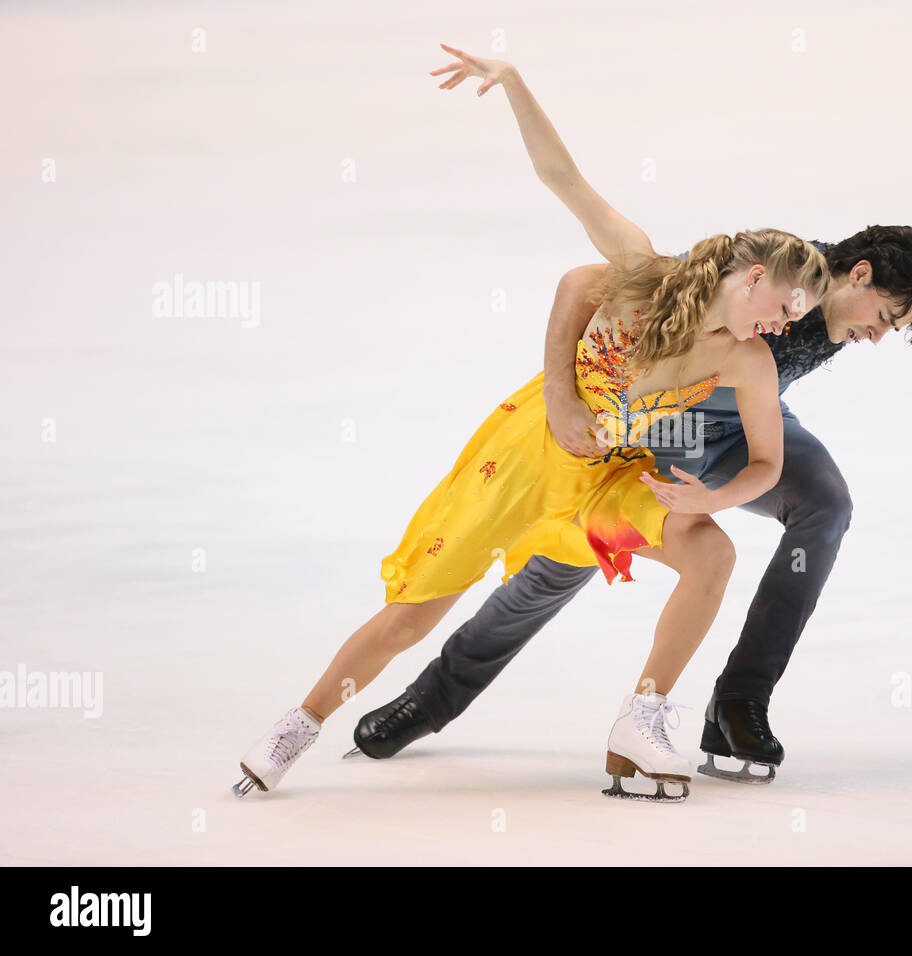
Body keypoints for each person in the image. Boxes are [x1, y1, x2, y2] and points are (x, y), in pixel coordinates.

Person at [231, 44, 833, 803]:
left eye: (797, 320)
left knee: (710, 555)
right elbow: (563, 186)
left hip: (605, 487)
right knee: (414, 615)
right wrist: (513, 82)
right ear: (753, 279)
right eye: (785, 308)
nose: (783, 327)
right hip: (525, 459)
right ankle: (300, 724)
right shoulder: (642, 270)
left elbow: (766, 466)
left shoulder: (749, 364)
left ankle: (640, 718)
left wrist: (708, 498)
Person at [346, 233, 912, 783]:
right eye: (882, 318)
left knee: (827, 505)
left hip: (753, 424)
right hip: (668, 425)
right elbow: (590, 280)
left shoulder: (866, 286)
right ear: (858, 273)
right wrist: (561, 392)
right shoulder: (768, 275)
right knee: (574, 555)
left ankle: (738, 701)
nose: (877, 336)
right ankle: (435, 695)